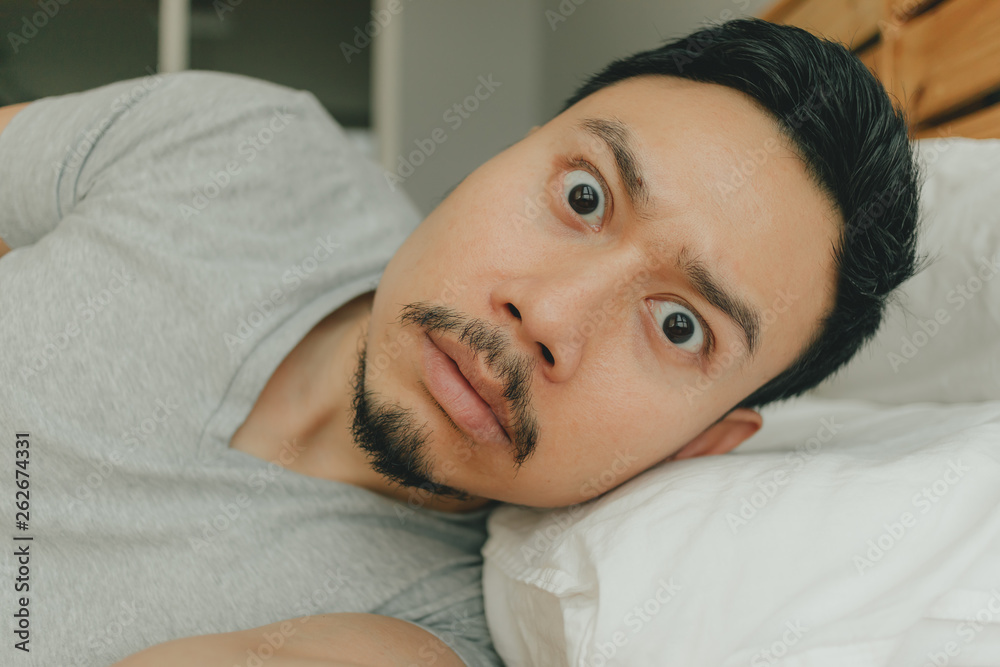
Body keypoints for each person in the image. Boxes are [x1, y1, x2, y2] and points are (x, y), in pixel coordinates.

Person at [0, 17, 920, 667]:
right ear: (507, 153)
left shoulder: (414, 634)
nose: (551, 316)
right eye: (585, 196)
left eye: (679, 326)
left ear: (703, 441)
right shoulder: (242, 143)